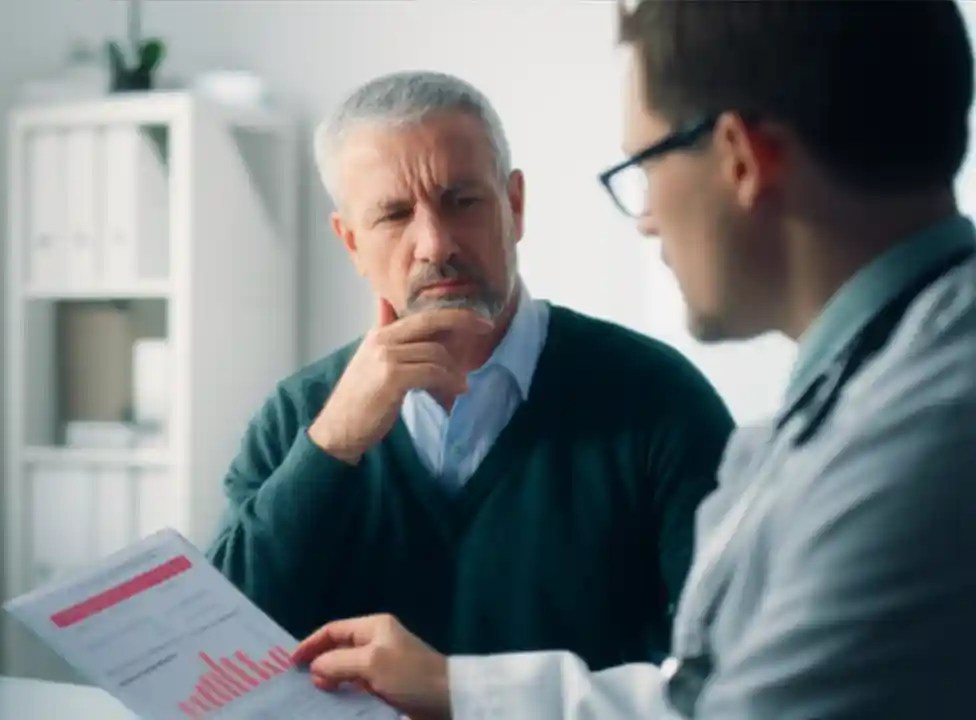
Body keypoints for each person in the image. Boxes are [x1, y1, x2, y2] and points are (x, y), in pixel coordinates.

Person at [291, 2, 976, 718]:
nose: (646, 214)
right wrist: (459, 688)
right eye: (393, 214)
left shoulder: (921, 441)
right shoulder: (884, 390)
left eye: (643, 164)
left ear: (742, 159)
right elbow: (705, 692)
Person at [208, 71, 735, 672]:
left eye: (462, 201)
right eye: (394, 215)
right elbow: (217, 654)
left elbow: (734, 667)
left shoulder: (657, 398)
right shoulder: (297, 420)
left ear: (514, 206)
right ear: (351, 242)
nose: (435, 243)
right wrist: (332, 446)